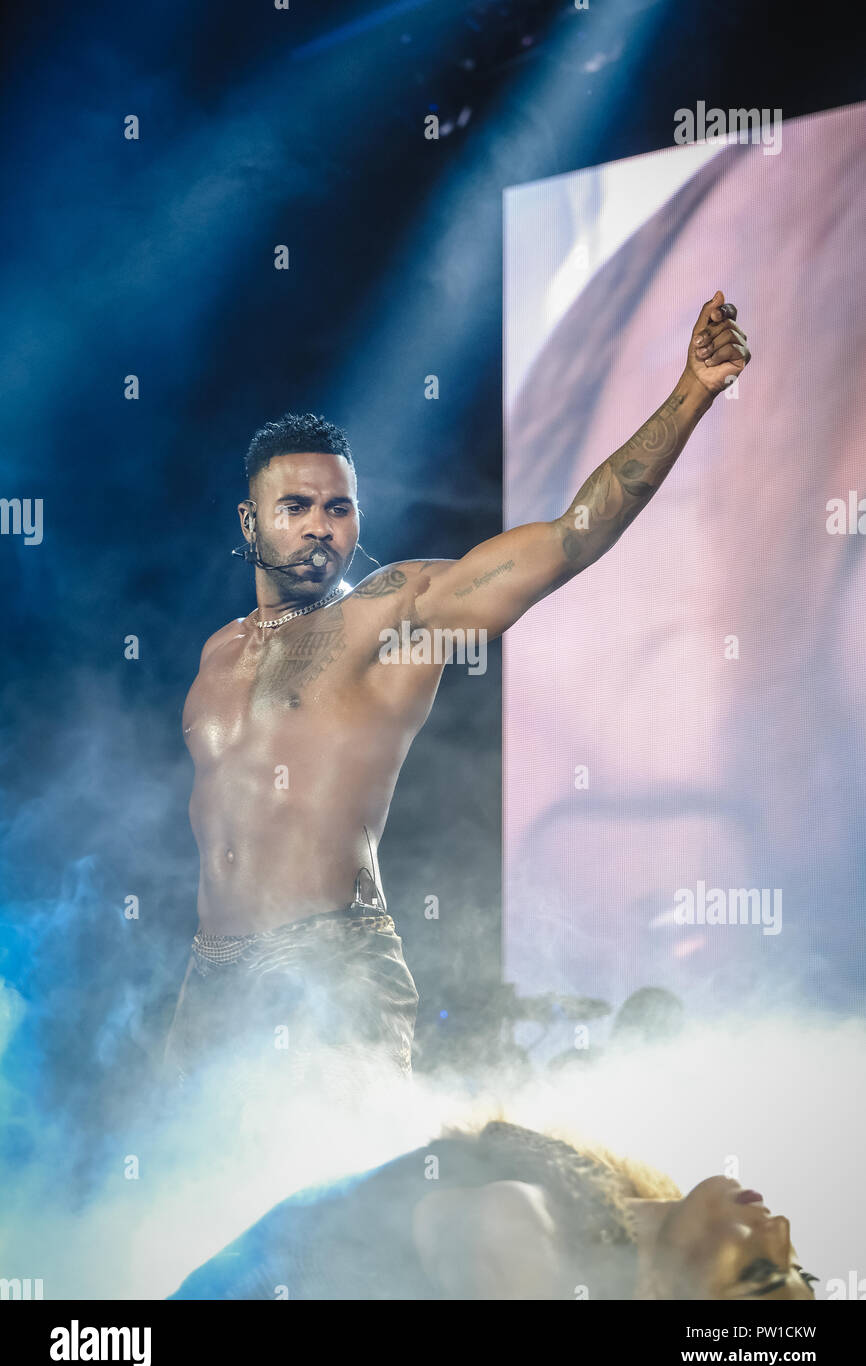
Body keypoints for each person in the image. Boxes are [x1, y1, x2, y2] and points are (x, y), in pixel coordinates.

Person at [164, 290, 751, 1084]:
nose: (319, 526)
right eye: (295, 506)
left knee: (331, 1198)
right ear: (248, 522)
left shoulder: (394, 614)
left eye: (339, 508)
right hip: (213, 973)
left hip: (331, 962)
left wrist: (692, 390)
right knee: (189, 1195)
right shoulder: (216, 654)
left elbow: (572, 538)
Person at [167, 1119, 816, 1300]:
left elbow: (501, 1229)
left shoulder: (544, 1237)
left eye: (758, 1276)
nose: (779, 1233)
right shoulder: (594, 1203)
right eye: (797, 1269)